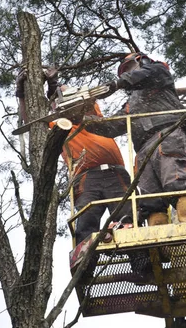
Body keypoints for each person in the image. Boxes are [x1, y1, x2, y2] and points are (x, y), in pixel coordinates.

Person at [15, 68, 133, 245]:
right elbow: (30, 120)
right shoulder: (60, 127)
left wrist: (54, 82)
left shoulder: (93, 115)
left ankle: (141, 260)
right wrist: (22, 92)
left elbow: (72, 95)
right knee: (86, 219)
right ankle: (86, 264)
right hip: (86, 177)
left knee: (127, 216)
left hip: (115, 173)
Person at [85, 52, 186, 227]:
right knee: (150, 201)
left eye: (129, 69)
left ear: (141, 61)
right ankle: (159, 248)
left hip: (167, 136)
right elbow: (111, 126)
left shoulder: (159, 74)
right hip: (143, 150)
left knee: (178, 183)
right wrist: (84, 120)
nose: (127, 75)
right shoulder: (132, 103)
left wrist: (118, 83)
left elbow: (145, 74)